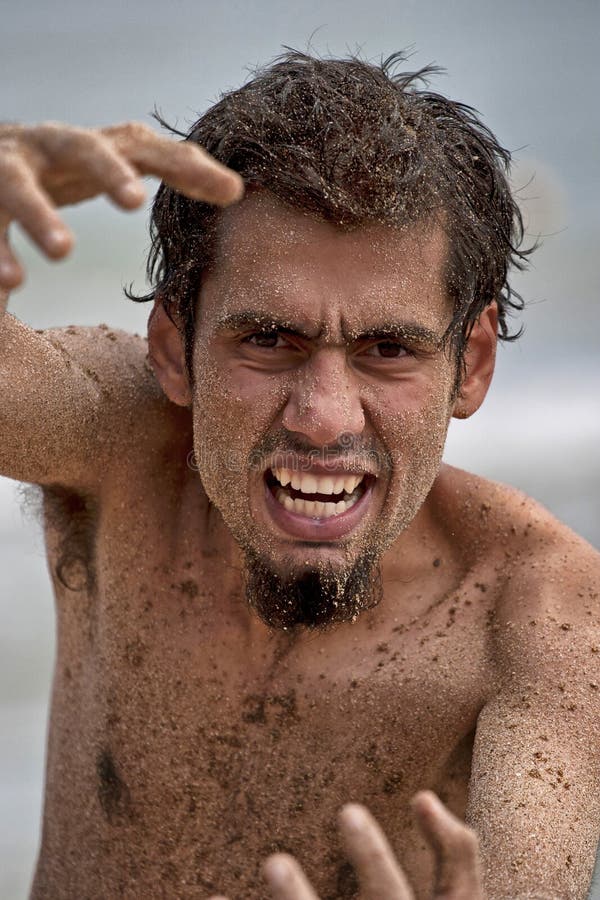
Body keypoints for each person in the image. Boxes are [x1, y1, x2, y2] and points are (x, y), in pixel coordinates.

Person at [0, 50, 598, 899]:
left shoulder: (537, 612)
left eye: (387, 350)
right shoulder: (118, 442)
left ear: (469, 365)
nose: (325, 416)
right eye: (269, 339)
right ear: (173, 347)